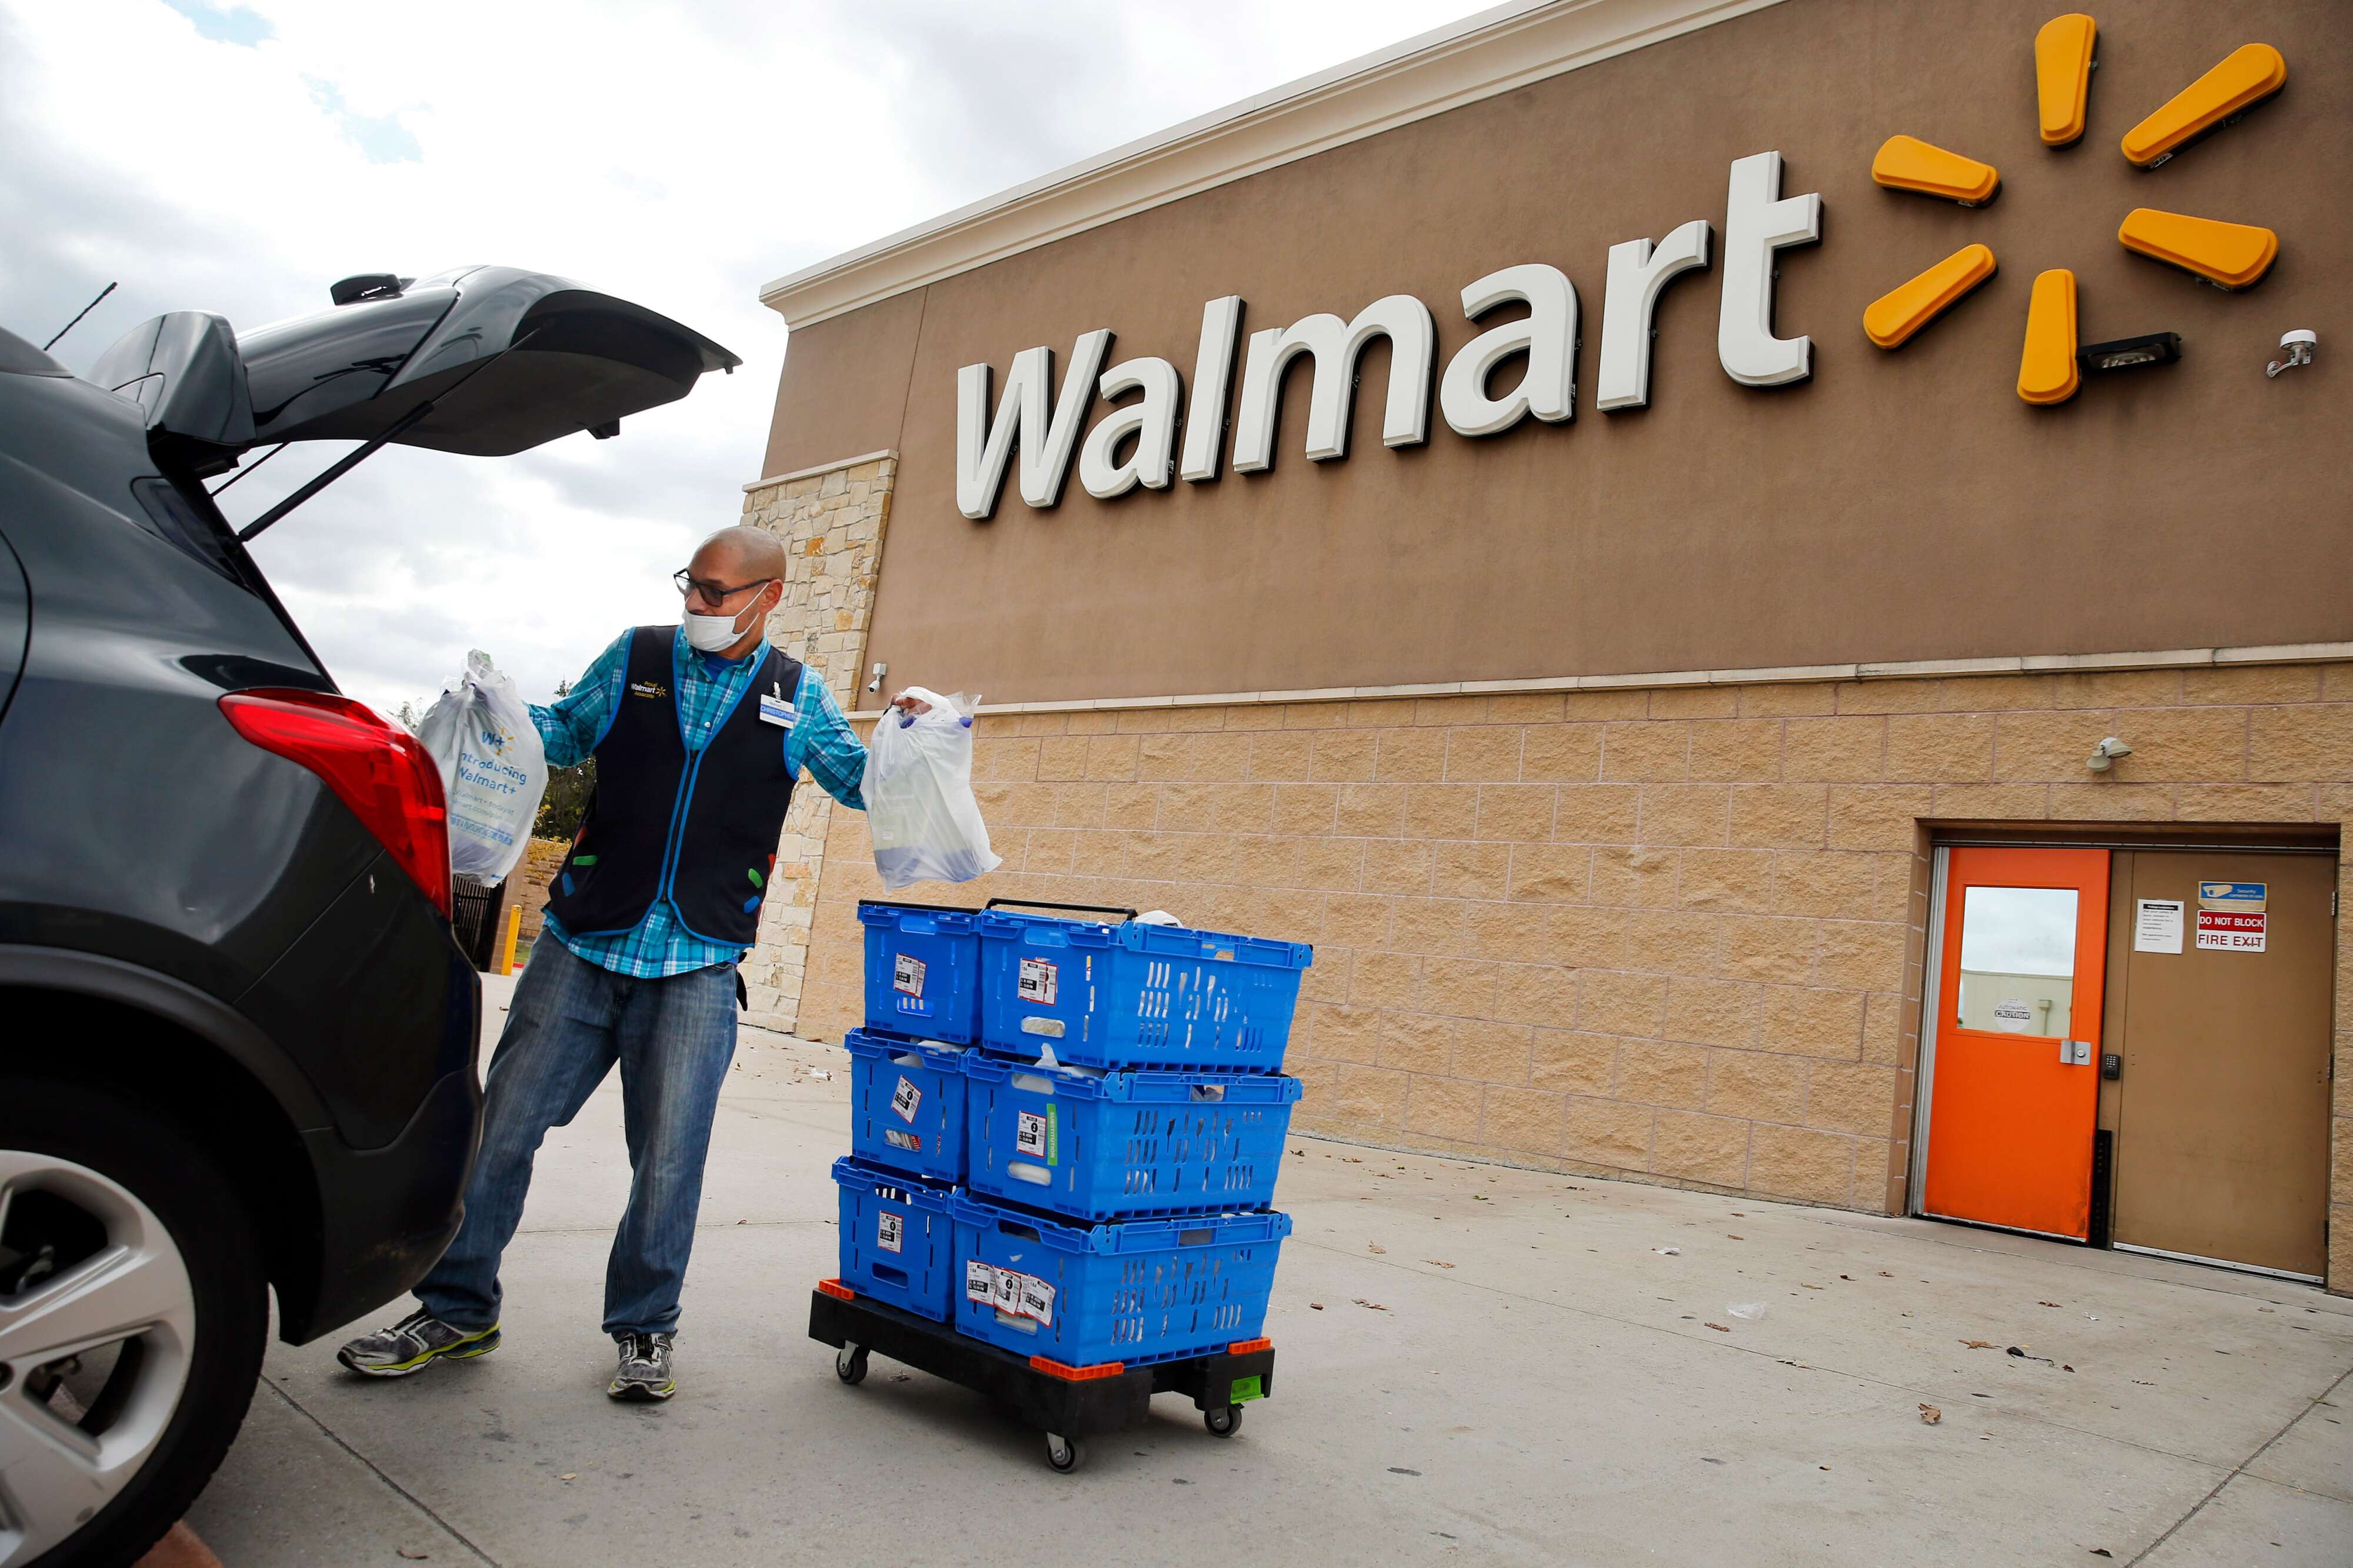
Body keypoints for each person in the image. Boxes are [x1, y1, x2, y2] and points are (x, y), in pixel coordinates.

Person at [338, 525, 921, 1401]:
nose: (696, 604)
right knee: (502, 1132)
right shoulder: (636, 656)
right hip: (583, 945)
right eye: (692, 583)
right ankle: (457, 1308)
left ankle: (646, 1328)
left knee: (670, 1162)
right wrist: (491, 710)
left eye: (718, 593)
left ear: (768, 598)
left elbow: (861, 781)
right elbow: (562, 735)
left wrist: (918, 737)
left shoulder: (797, 697)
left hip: (697, 962)